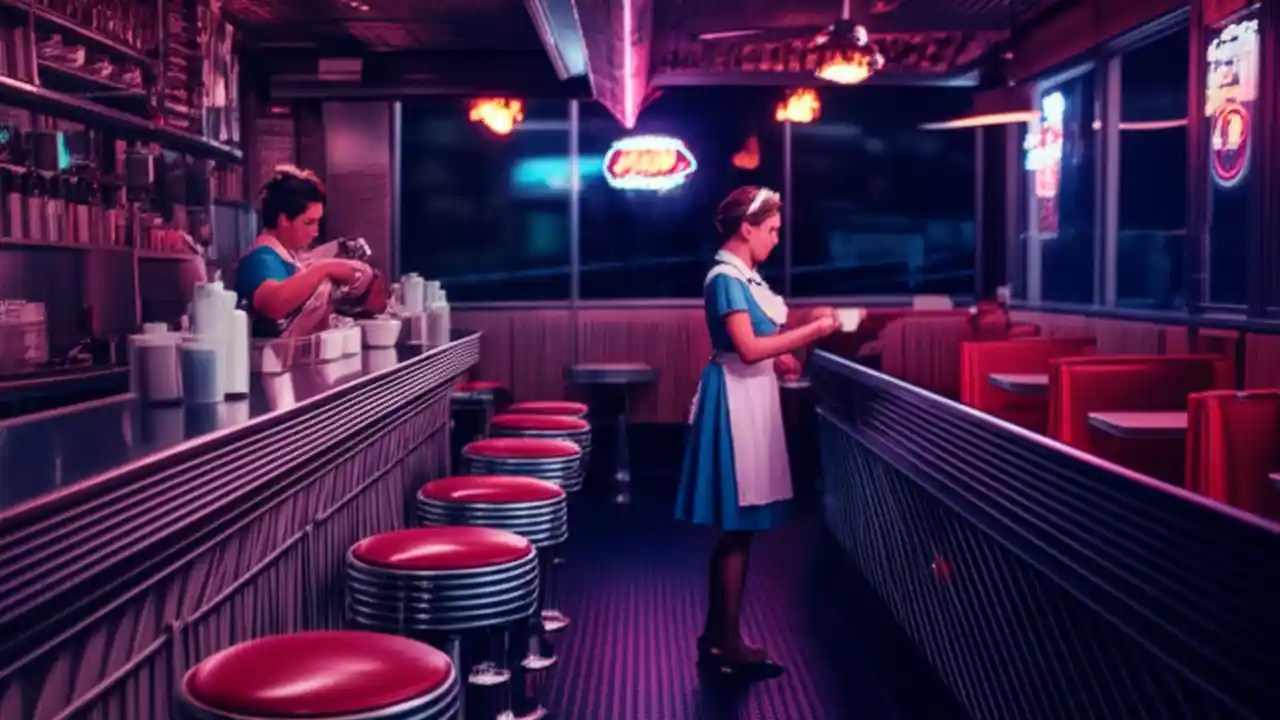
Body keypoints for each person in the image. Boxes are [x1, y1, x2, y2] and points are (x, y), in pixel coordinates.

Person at [675, 186, 840, 675]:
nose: (775, 239)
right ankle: (725, 643)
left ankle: (718, 636)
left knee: (740, 527)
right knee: (739, 524)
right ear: (746, 229)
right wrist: (810, 333)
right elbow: (746, 348)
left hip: (746, 394)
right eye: (770, 230)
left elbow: (749, 342)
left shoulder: (740, 276)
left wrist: (783, 351)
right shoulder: (726, 277)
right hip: (734, 399)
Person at [235, 165, 371, 337]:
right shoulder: (260, 259)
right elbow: (274, 303)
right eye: (308, 223)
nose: (315, 232)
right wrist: (324, 268)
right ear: (284, 220)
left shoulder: (289, 257)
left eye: (317, 222)